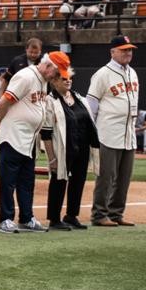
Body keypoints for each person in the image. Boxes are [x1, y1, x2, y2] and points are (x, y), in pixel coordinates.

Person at [0, 51, 60, 233]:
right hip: (13, 136)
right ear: (47, 66)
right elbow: (2, 104)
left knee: (26, 181)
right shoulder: (25, 76)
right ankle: (6, 218)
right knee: (8, 181)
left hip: (30, 139)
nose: (57, 77)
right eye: (56, 72)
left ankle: (27, 217)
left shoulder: (43, 80)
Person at [87, 35, 140, 227]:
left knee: (124, 177)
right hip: (107, 133)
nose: (128, 52)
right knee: (106, 177)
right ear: (112, 52)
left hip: (129, 133)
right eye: (124, 49)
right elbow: (91, 105)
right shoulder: (102, 74)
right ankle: (99, 215)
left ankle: (116, 213)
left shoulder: (132, 73)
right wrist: (91, 134)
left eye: (130, 49)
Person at [41, 59, 97, 231]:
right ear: (54, 80)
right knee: (59, 180)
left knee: (78, 181)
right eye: (63, 78)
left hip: (82, 146)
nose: (68, 80)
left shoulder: (79, 98)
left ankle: (72, 215)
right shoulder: (50, 101)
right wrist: (52, 159)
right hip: (62, 148)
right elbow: (46, 132)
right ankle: (55, 219)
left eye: (69, 77)